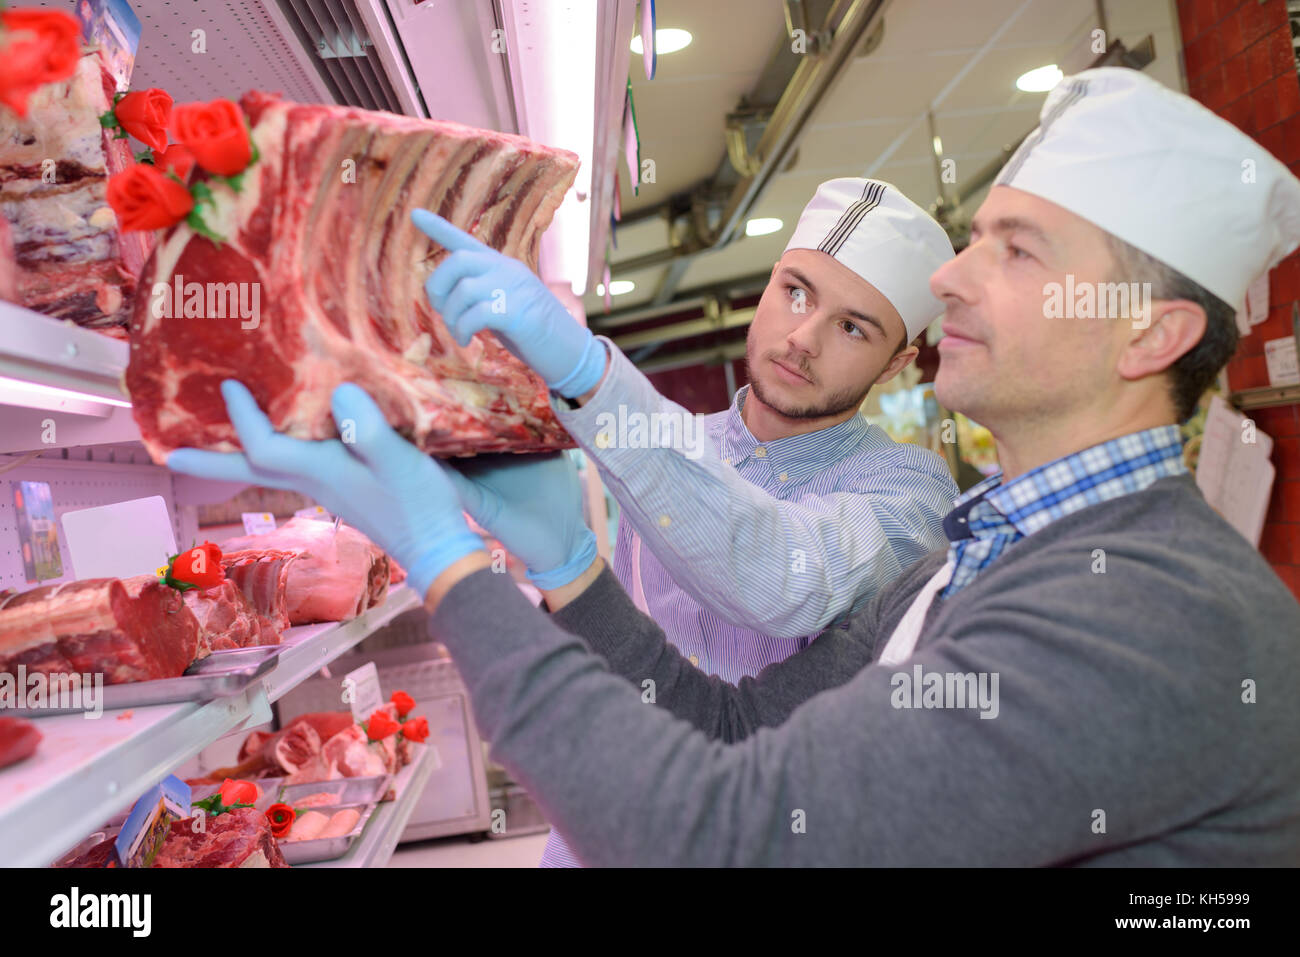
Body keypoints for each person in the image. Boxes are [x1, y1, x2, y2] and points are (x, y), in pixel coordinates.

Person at [169, 67, 1300, 865]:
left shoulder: (1148, 613)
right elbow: (727, 735)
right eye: (975, 240)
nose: (956, 277)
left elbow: (724, 830)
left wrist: (448, 564)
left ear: (1145, 334)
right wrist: (569, 568)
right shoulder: (984, 555)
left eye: (1013, 249)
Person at [531, 178, 958, 866]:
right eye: (796, 291)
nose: (802, 337)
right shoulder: (674, 444)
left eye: (852, 326)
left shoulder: (908, 489)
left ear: (897, 363)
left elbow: (784, 578)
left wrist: (593, 384)